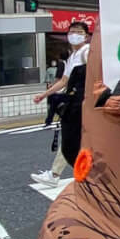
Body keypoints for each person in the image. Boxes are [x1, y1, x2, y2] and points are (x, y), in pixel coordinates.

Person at [31, 23, 90, 186]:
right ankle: (56, 174)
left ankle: (56, 174)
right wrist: (44, 95)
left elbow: (95, 75)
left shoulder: (87, 52)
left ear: (86, 36)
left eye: (79, 32)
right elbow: (64, 81)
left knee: (72, 138)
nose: (75, 35)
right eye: (72, 32)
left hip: (83, 102)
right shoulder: (72, 57)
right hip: (76, 102)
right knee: (75, 138)